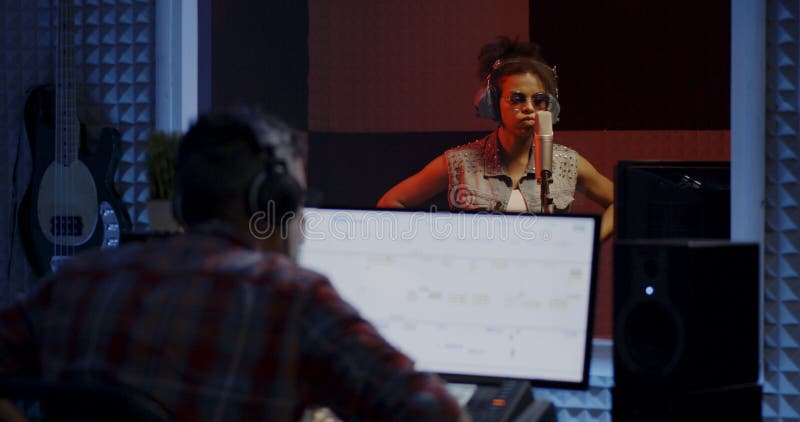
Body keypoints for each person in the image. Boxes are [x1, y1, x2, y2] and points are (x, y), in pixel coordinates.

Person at [0, 110, 466, 421]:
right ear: (274, 203)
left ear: (181, 197)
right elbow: (433, 411)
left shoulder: (79, 279)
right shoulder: (292, 300)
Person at [377, 36, 614, 241]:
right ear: (493, 104)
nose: (529, 108)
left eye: (538, 99)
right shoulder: (461, 162)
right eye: (517, 99)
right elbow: (391, 202)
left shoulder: (565, 163)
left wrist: (588, 244)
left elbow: (623, 203)